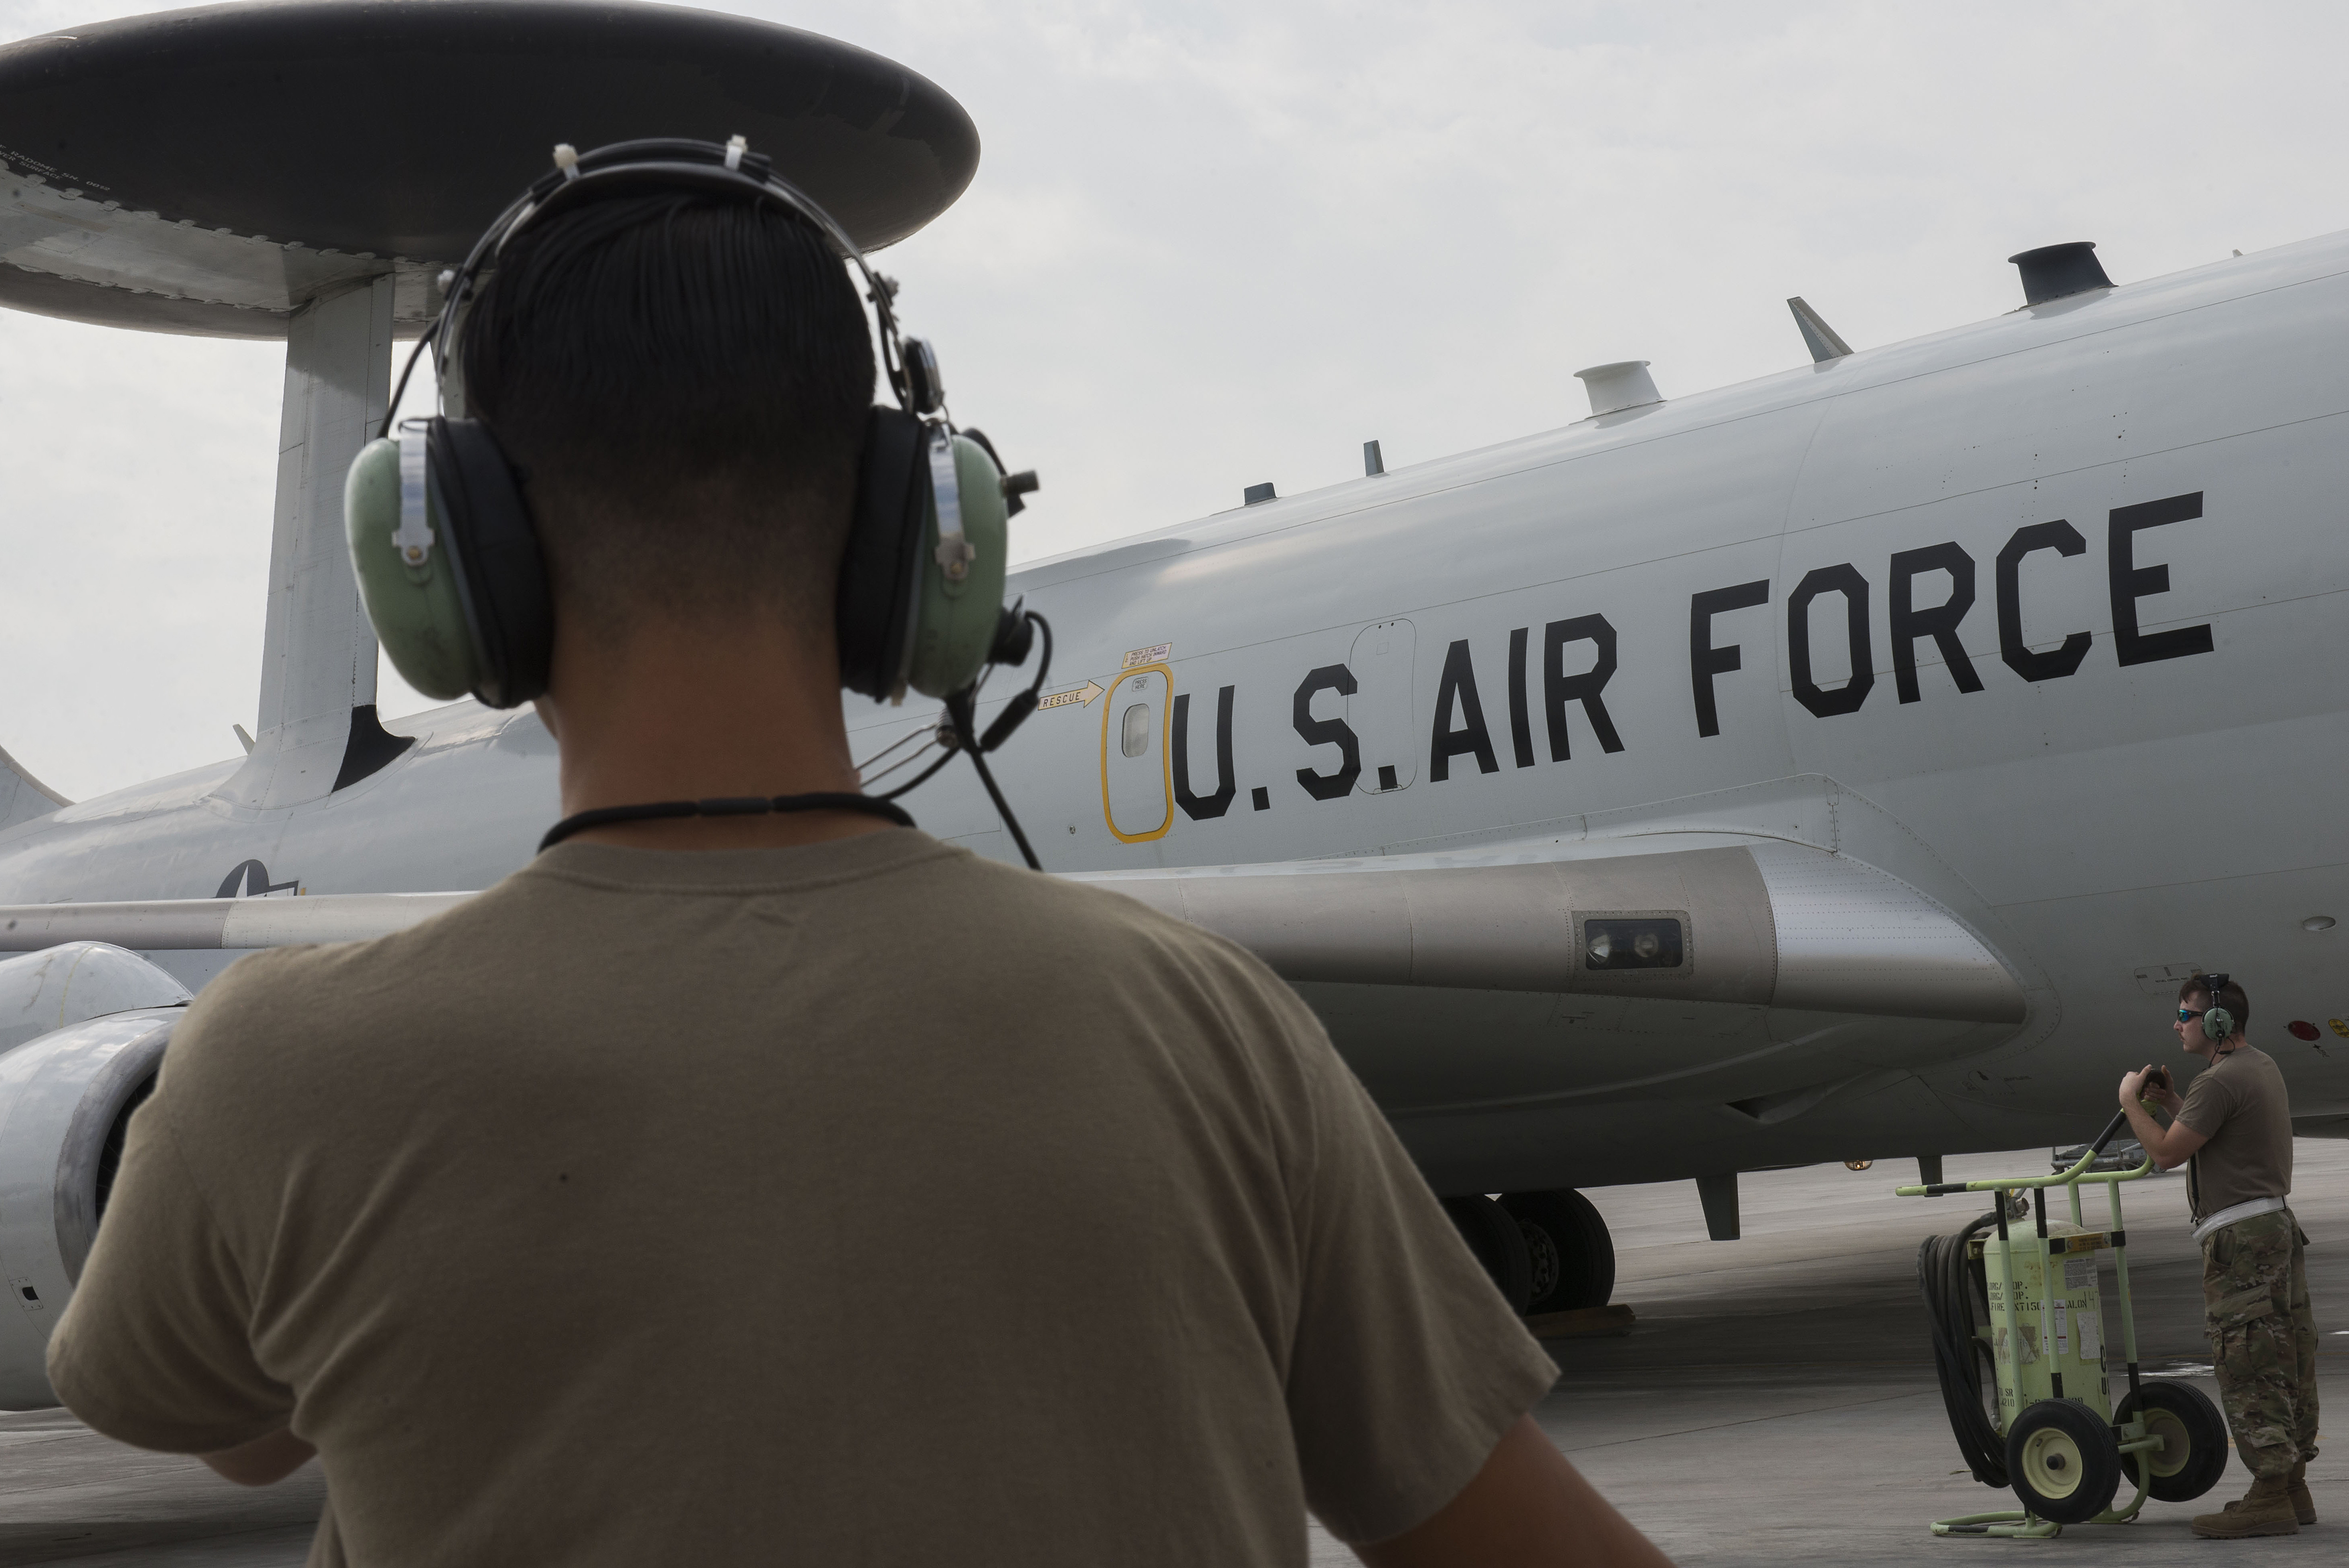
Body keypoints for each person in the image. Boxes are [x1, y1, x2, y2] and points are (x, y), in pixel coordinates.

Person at [44, 150, 1672, 1567]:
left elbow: (229, 1428)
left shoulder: (279, 1067)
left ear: (455, 570)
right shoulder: (1212, 1031)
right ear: (917, 546)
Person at [2117, 972, 2317, 1539]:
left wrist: (2132, 1102)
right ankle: (2291, 1486)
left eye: (2183, 1015)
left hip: (2241, 1242)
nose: (2176, 1025)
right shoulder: (2258, 1067)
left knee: (2248, 1362)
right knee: (2285, 1357)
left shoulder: (2220, 1081)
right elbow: (2220, 1135)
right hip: (2273, 1227)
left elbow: (2165, 1155)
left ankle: (2271, 1493)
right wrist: (2175, 1103)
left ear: (2215, 1023)